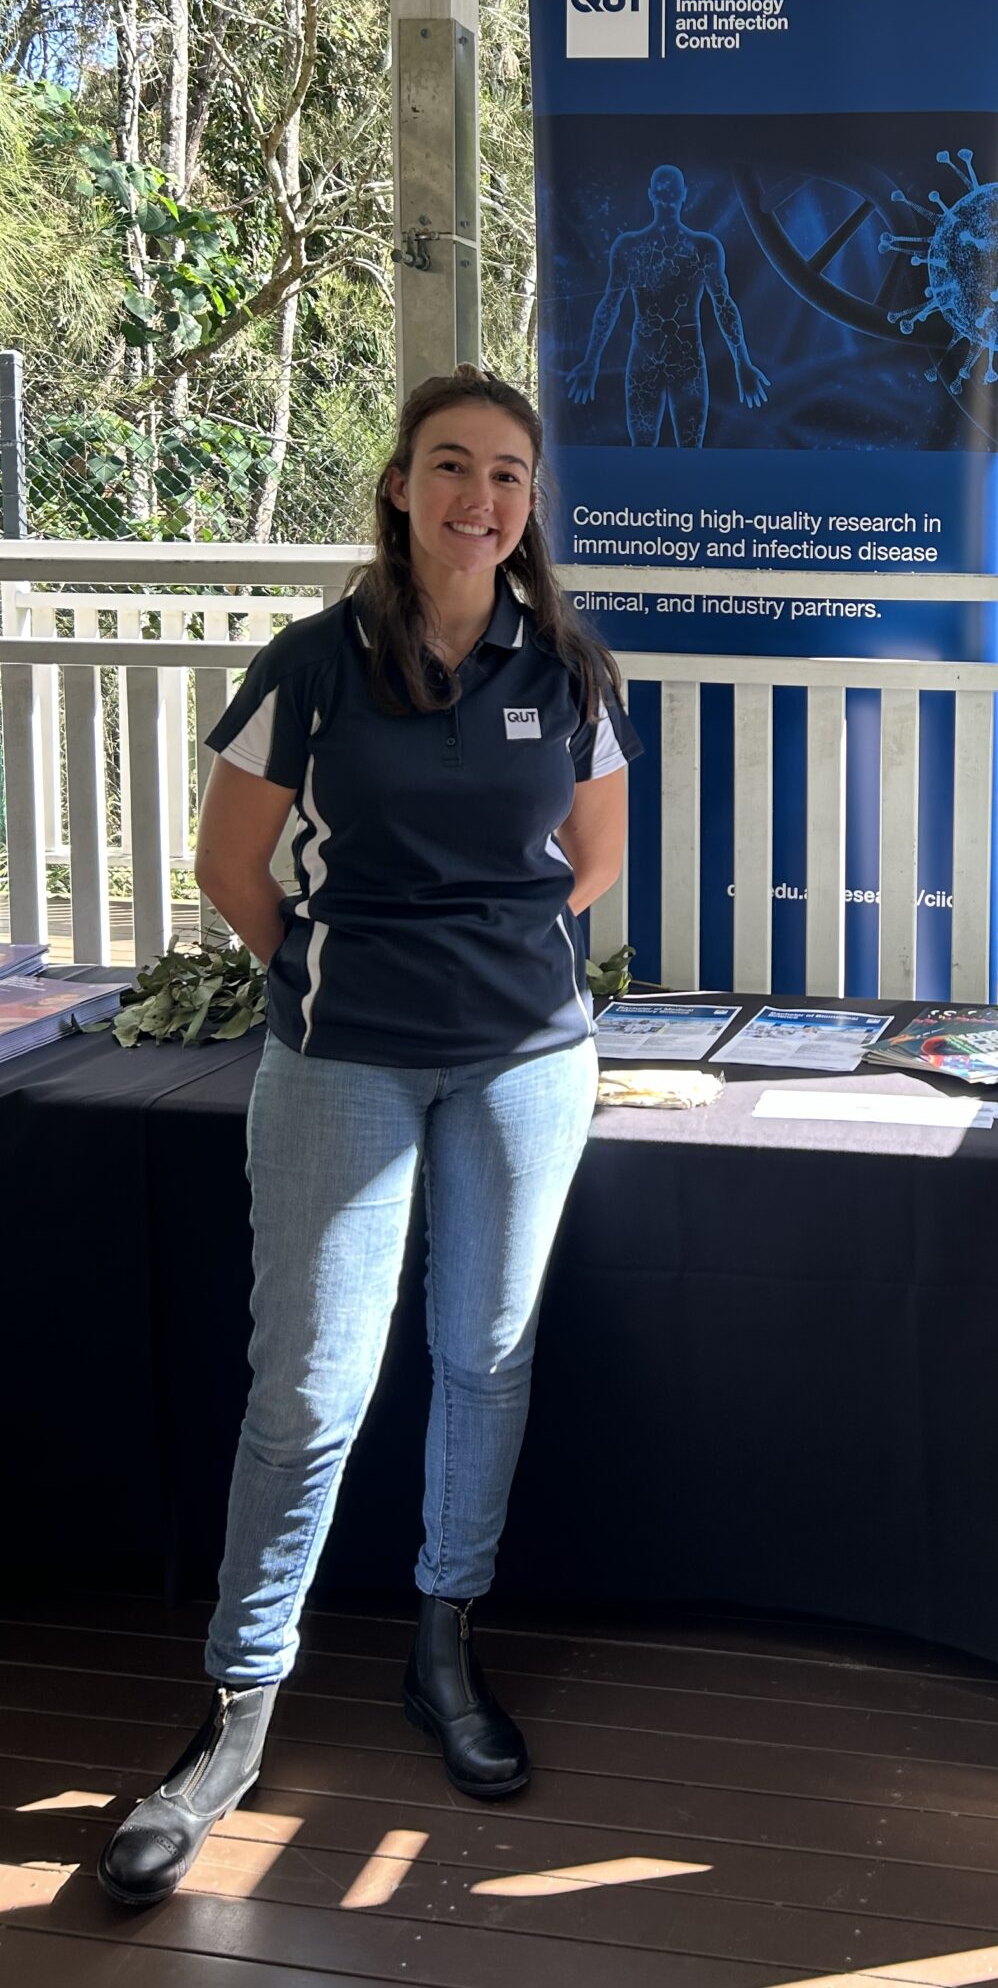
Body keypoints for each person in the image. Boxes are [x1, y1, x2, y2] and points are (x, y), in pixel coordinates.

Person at [98, 367, 641, 1911]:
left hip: (528, 1066)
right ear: (400, 489)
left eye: (511, 476)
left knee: (484, 1359)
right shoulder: (315, 662)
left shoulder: (570, 669)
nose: (482, 499)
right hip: (341, 1059)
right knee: (314, 1387)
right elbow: (231, 862)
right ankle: (234, 1717)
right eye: (453, 467)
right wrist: (350, 971)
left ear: (531, 508)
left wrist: (492, 973)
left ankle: (442, 1649)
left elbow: (590, 862)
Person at [564, 161, 770, 444]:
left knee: (689, 452)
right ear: (652, 194)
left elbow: (724, 306)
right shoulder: (630, 248)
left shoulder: (703, 248)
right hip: (647, 361)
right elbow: (609, 305)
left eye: (671, 192)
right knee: (645, 453)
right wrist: (590, 361)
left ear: (683, 194)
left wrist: (742, 364)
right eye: (663, 191)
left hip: (686, 362)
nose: (667, 198)